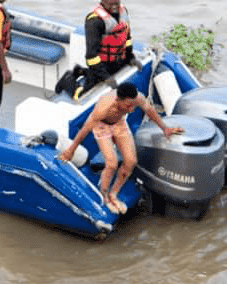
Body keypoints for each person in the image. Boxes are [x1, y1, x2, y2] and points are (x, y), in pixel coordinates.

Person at [60, 82, 182, 214]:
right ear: (118, 100)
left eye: (133, 105)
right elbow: (85, 129)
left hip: (119, 123)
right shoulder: (103, 108)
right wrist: (70, 150)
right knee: (111, 164)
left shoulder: (137, 97)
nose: (132, 109)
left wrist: (165, 128)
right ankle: (104, 197)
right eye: (128, 106)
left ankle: (113, 194)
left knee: (131, 162)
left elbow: (149, 110)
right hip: (102, 126)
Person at [83, 0, 142, 91]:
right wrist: (106, 77)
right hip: (101, 67)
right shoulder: (95, 21)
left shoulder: (123, 12)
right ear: (102, 2)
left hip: (119, 61)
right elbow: (91, 57)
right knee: (84, 92)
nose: (114, 8)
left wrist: (130, 58)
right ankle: (69, 80)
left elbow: (127, 39)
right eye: (111, 5)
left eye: (116, 4)